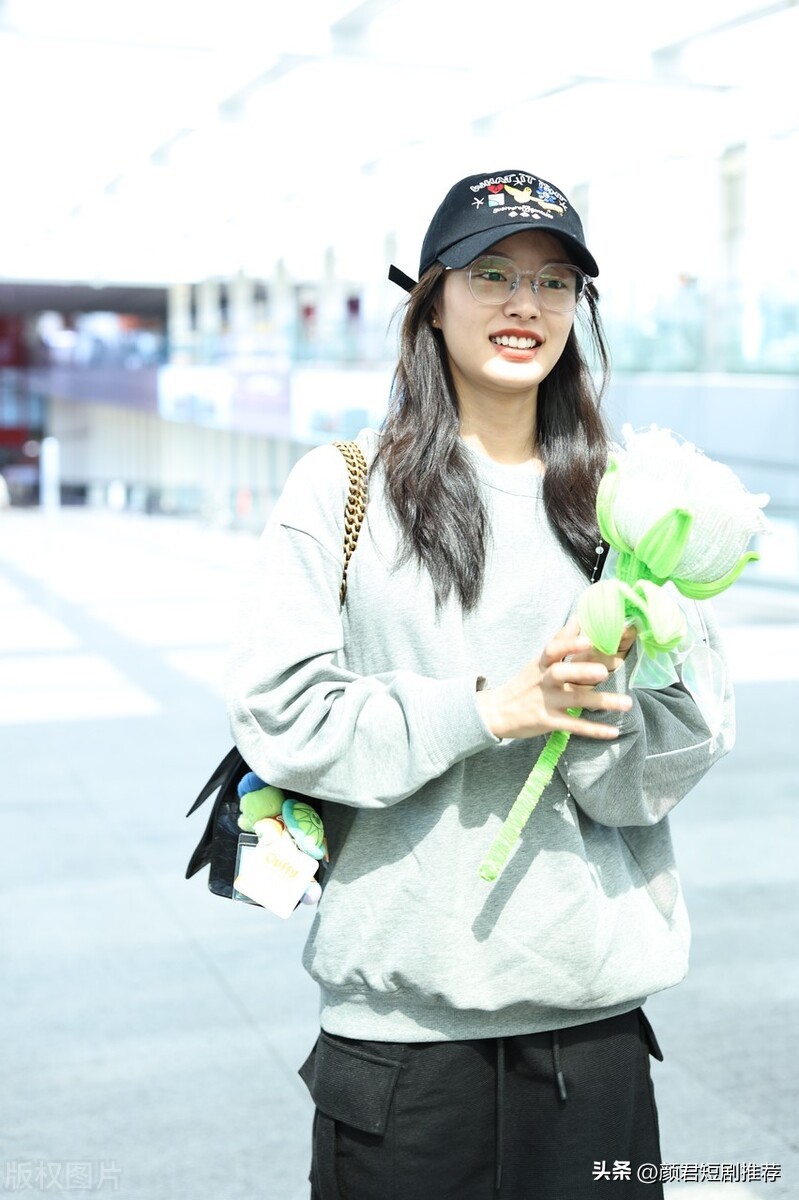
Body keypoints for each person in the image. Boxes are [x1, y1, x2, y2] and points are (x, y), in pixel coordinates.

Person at [226, 169, 734, 1200]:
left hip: (592, 1046)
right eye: (492, 273)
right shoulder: (342, 486)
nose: (523, 305)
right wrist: (489, 706)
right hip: (400, 1054)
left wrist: (607, 709)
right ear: (433, 298)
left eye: (554, 284)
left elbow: (660, 769)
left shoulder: (631, 507)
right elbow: (282, 712)